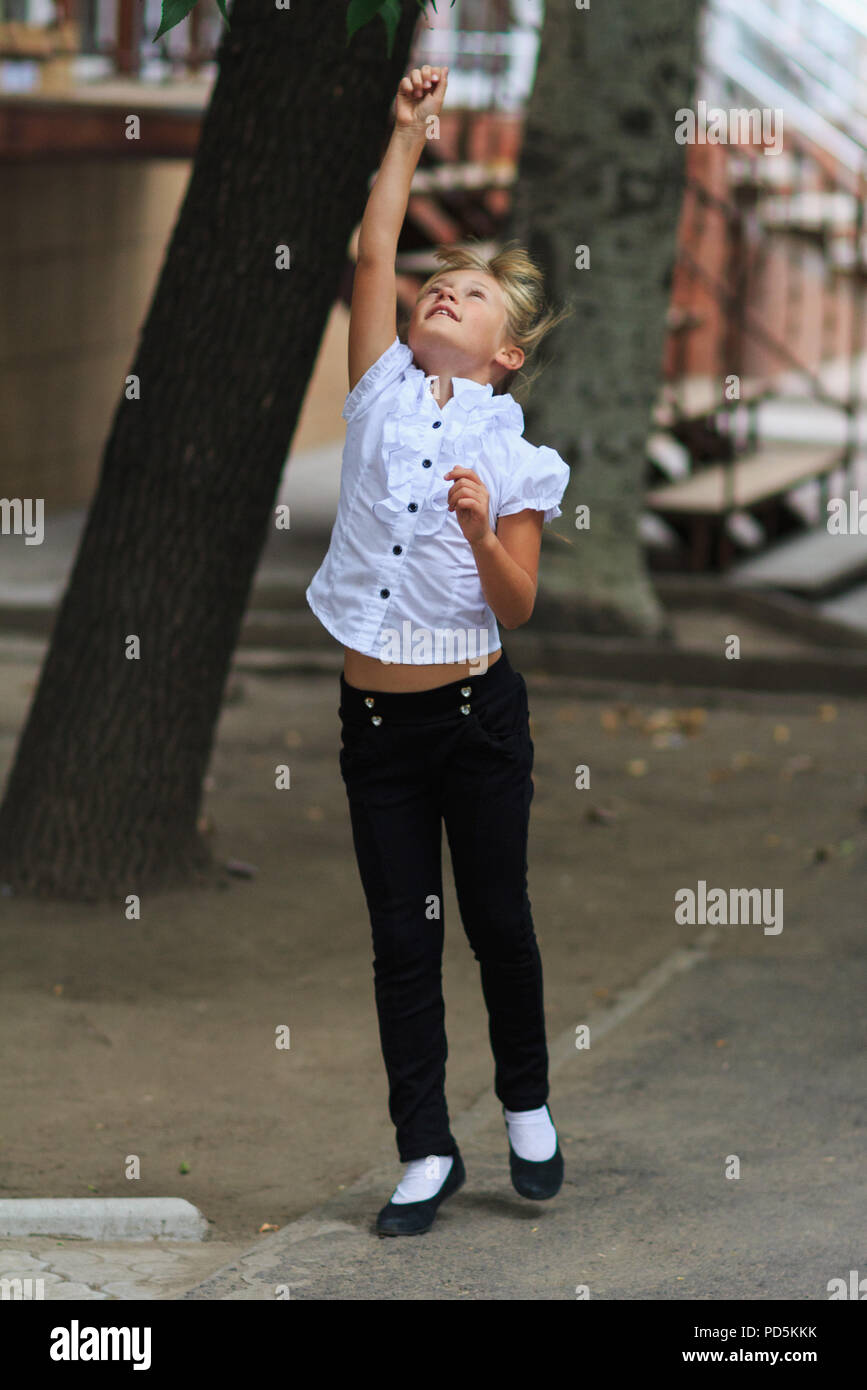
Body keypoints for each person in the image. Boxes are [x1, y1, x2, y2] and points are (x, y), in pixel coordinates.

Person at [306, 64, 571, 1237]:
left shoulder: (513, 456)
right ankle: (426, 1148)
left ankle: (525, 1101)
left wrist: (477, 528)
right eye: (439, 285)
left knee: (497, 921)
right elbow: (374, 251)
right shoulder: (376, 390)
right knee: (400, 939)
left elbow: (515, 608)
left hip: (474, 719)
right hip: (375, 728)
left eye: (470, 295)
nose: (441, 295)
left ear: (508, 354)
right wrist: (406, 133)